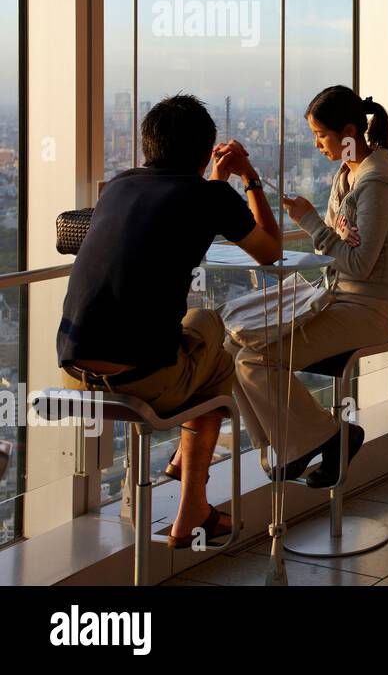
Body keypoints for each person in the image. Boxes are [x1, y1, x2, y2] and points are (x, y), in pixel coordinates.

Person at [56, 94, 282, 548]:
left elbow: (187, 207)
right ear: (205, 151)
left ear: (147, 146)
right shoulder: (211, 197)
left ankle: (186, 463)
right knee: (217, 350)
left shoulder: (120, 185)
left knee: (198, 326)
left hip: (71, 374)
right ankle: (192, 508)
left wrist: (216, 184)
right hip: (141, 379)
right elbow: (270, 251)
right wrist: (249, 178)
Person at [230, 87, 388, 487]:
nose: (316, 145)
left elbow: (360, 266)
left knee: (252, 359)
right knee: (233, 346)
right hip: (338, 297)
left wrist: (312, 223)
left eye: (321, 135)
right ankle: (294, 444)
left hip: (371, 309)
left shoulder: (377, 185)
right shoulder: (347, 176)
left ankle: (331, 439)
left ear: (348, 131)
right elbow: (343, 252)